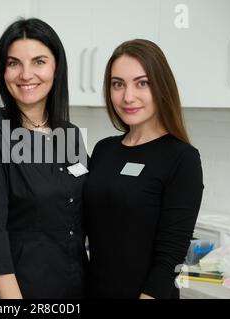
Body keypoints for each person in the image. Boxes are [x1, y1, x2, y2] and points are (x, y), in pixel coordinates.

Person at [0, 18, 89, 299]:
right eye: (13, 63)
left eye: (39, 61)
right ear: (2, 71)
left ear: (56, 68)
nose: (25, 74)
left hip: (74, 285)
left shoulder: (70, 134)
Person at [84, 39, 204, 299]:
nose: (128, 96)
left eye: (142, 83)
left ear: (161, 86)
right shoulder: (104, 150)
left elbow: (170, 257)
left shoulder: (182, 158)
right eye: (118, 84)